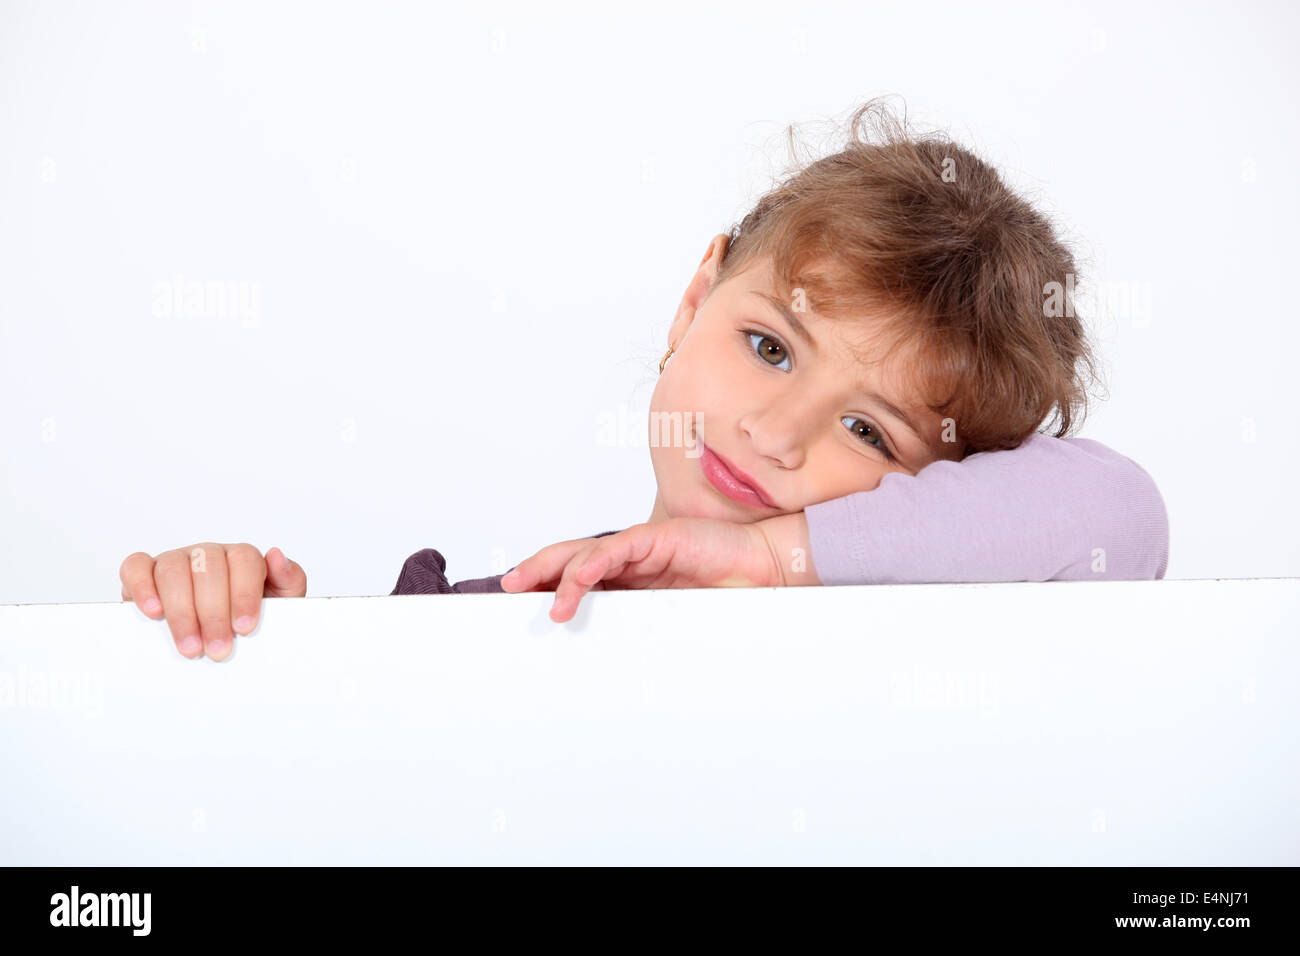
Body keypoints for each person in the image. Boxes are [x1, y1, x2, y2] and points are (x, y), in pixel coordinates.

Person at [119, 99, 1169, 660]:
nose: (774, 432)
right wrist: (265, 649)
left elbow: (1117, 511)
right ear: (692, 300)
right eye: (769, 346)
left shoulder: (921, 659)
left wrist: (765, 558)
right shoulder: (488, 622)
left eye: (868, 430)